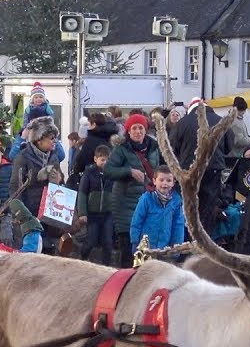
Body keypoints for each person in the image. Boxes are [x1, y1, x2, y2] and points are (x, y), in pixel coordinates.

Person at [105, 113, 163, 267]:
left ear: (145, 130)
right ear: (128, 131)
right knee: (128, 244)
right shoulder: (121, 149)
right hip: (125, 203)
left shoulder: (155, 147)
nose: (138, 131)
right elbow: (108, 170)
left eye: (141, 128)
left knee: (147, 243)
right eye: (134, 128)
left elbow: (163, 168)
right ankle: (125, 278)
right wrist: (128, 171)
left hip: (149, 201)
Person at [168, 98, 231, 236]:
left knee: (188, 207)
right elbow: (228, 147)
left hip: (188, 170)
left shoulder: (182, 123)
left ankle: (188, 239)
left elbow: (172, 147)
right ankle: (205, 242)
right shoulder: (221, 121)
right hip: (213, 169)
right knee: (208, 208)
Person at [10, 117, 60, 223]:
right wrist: (21, 214)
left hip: (49, 214)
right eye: (51, 138)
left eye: (55, 137)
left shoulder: (54, 157)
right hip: (29, 214)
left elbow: (60, 184)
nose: (55, 141)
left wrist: (57, 181)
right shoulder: (23, 157)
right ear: (39, 139)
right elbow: (16, 188)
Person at [130, 165, 185, 251]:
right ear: (154, 181)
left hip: (164, 249)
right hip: (145, 247)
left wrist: (177, 246)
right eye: (161, 180)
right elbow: (137, 221)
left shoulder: (176, 202)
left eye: (169, 180)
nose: (165, 183)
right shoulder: (146, 199)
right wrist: (135, 241)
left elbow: (178, 225)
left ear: (173, 183)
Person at [76, 145, 115, 265]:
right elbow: (82, 193)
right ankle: (81, 259)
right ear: (95, 159)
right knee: (91, 240)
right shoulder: (89, 173)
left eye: (108, 160)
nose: (105, 163)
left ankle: (107, 267)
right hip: (92, 213)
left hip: (108, 213)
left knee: (108, 242)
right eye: (102, 160)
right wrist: (82, 212)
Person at [69, 112, 119, 188]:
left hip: (92, 181)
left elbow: (81, 162)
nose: (87, 128)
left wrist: (75, 170)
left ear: (94, 125)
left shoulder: (90, 141)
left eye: (88, 125)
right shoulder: (109, 138)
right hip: (109, 182)